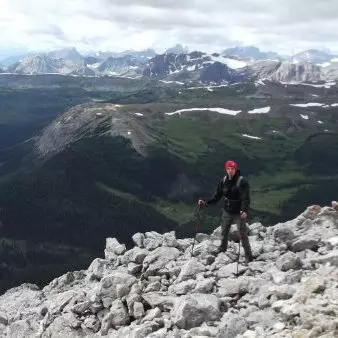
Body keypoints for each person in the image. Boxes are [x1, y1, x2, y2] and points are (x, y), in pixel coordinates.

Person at [198, 160, 253, 262]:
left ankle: (249, 257)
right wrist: (205, 202)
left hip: (238, 212)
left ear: (236, 169)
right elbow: (217, 196)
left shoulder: (242, 181)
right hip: (227, 210)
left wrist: (244, 211)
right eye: (228, 169)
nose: (230, 171)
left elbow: (246, 198)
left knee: (242, 235)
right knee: (224, 232)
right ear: (226, 169)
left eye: (232, 169)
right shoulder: (223, 181)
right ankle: (222, 251)